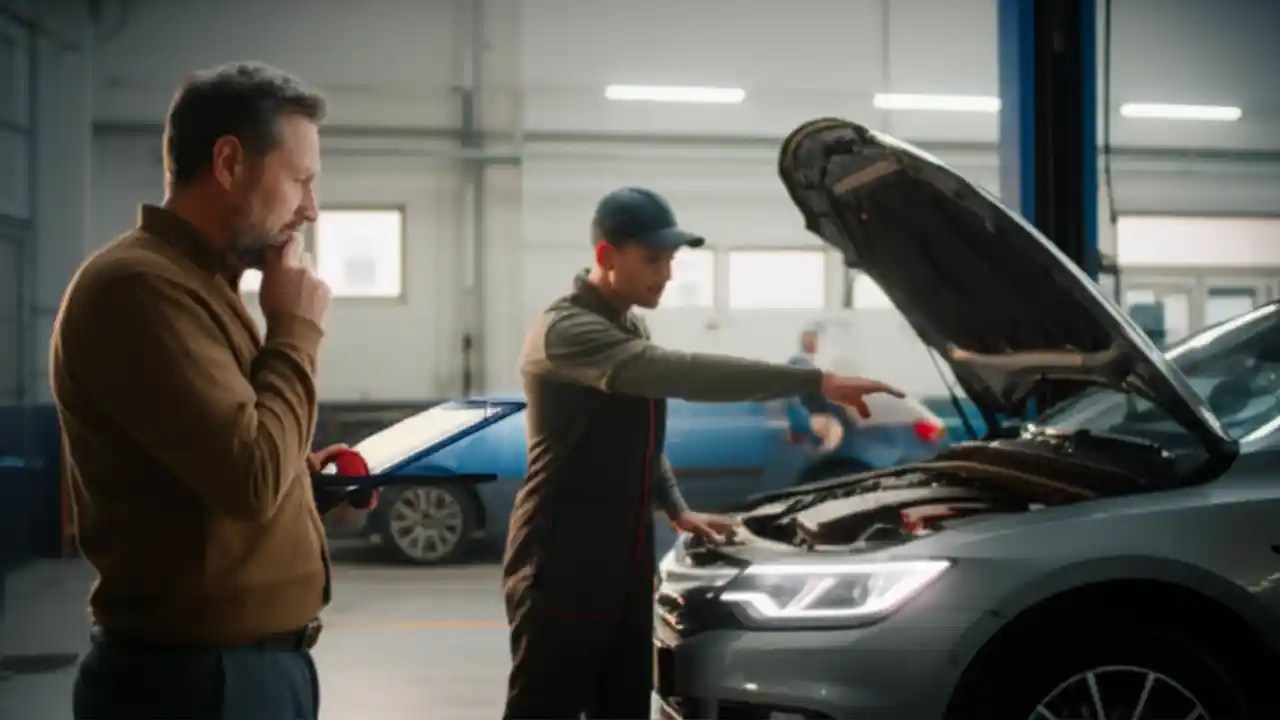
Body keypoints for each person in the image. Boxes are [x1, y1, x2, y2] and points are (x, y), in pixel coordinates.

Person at [502, 186, 904, 718]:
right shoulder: (567, 331)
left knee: (622, 704)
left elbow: (637, 431)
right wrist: (815, 381)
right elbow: (685, 373)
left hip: (625, 553)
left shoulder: (628, 323)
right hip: (562, 555)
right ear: (606, 256)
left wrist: (674, 504)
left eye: (669, 259)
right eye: (652, 259)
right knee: (545, 706)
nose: (666, 273)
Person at [49, 61, 369, 720]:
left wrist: (305, 486)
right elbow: (248, 478)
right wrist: (295, 332)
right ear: (228, 162)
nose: (309, 208)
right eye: (301, 181)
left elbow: (213, 470)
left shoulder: (203, 285)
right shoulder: (139, 287)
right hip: (195, 684)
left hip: (238, 671)